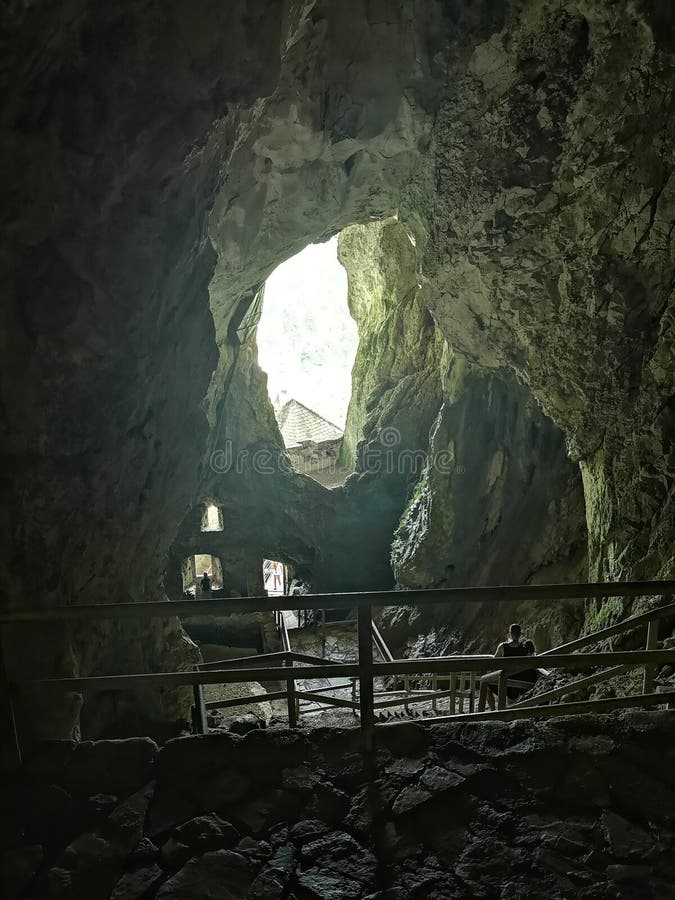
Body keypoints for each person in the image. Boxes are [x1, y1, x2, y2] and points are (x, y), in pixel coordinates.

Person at [483, 624, 537, 709]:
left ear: (510, 634)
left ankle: (493, 710)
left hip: (506, 685)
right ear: (520, 634)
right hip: (522, 686)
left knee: (485, 683)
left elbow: (493, 663)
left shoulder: (502, 647)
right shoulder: (525, 647)